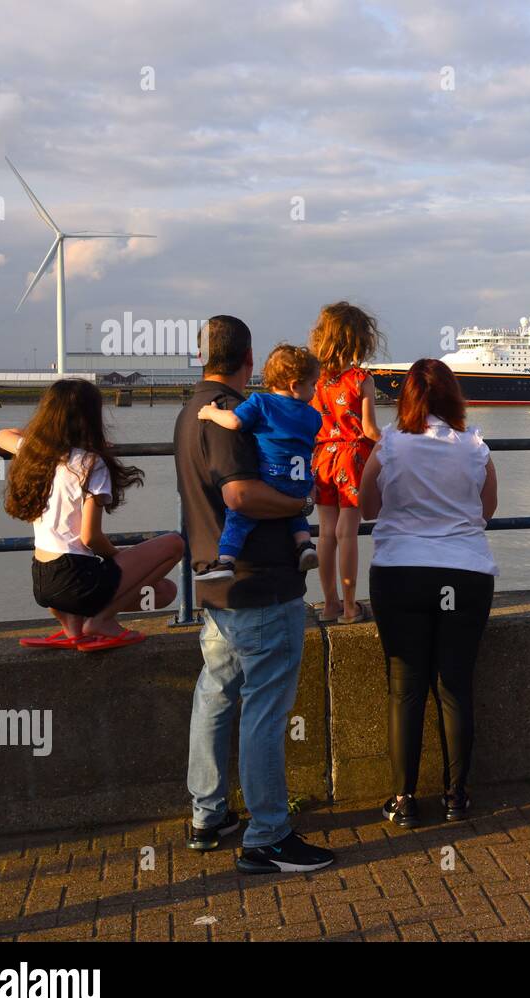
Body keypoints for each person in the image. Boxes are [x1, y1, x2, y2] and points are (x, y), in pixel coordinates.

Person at [174, 315, 335, 873]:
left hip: (214, 581)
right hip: (260, 581)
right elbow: (241, 494)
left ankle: (209, 813)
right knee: (266, 711)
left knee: (215, 695)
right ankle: (267, 836)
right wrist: (299, 506)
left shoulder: (191, 410)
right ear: (247, 362)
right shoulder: (230, 420)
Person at [360, 358, 497, 828]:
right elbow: (487, 510)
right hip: (465, 573)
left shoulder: (390, 444)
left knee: (406, 687)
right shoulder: (476, 445)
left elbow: (366, 506)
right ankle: (457, 797)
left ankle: (403, 799)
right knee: (455, 685)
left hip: (401, 572)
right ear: (454, 397)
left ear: (407, 399)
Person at [0, 379, 184, 652]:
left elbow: (2, 435)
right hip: (76, 578)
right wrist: (118, 555)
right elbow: (91, 536)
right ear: (91, 417)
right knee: (174, 544)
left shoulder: (34, 452)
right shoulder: (90, 463)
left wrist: (41, 436)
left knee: (163, 591)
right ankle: (102, 621)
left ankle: (74, 627)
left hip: (44, 582)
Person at [194, 343, 322, 581]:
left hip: (272, 475)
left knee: (238, 518)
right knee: (295, 512)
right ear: (295, 386)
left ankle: (226, 561)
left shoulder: (261, 403)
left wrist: (211, 413)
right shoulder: (314, 416)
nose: (315, 391)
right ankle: (305, 545)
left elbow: (234, 421)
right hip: (302, 480)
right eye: (313, 384)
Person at [309, 302, 384, 624]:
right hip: (353, 458)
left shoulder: (313, 378)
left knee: (326, 532)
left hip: (322, 456)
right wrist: (395, 442)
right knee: (347, 533)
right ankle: (351, 607)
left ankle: (329, 605)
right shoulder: (360, 378)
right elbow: (368, 430)